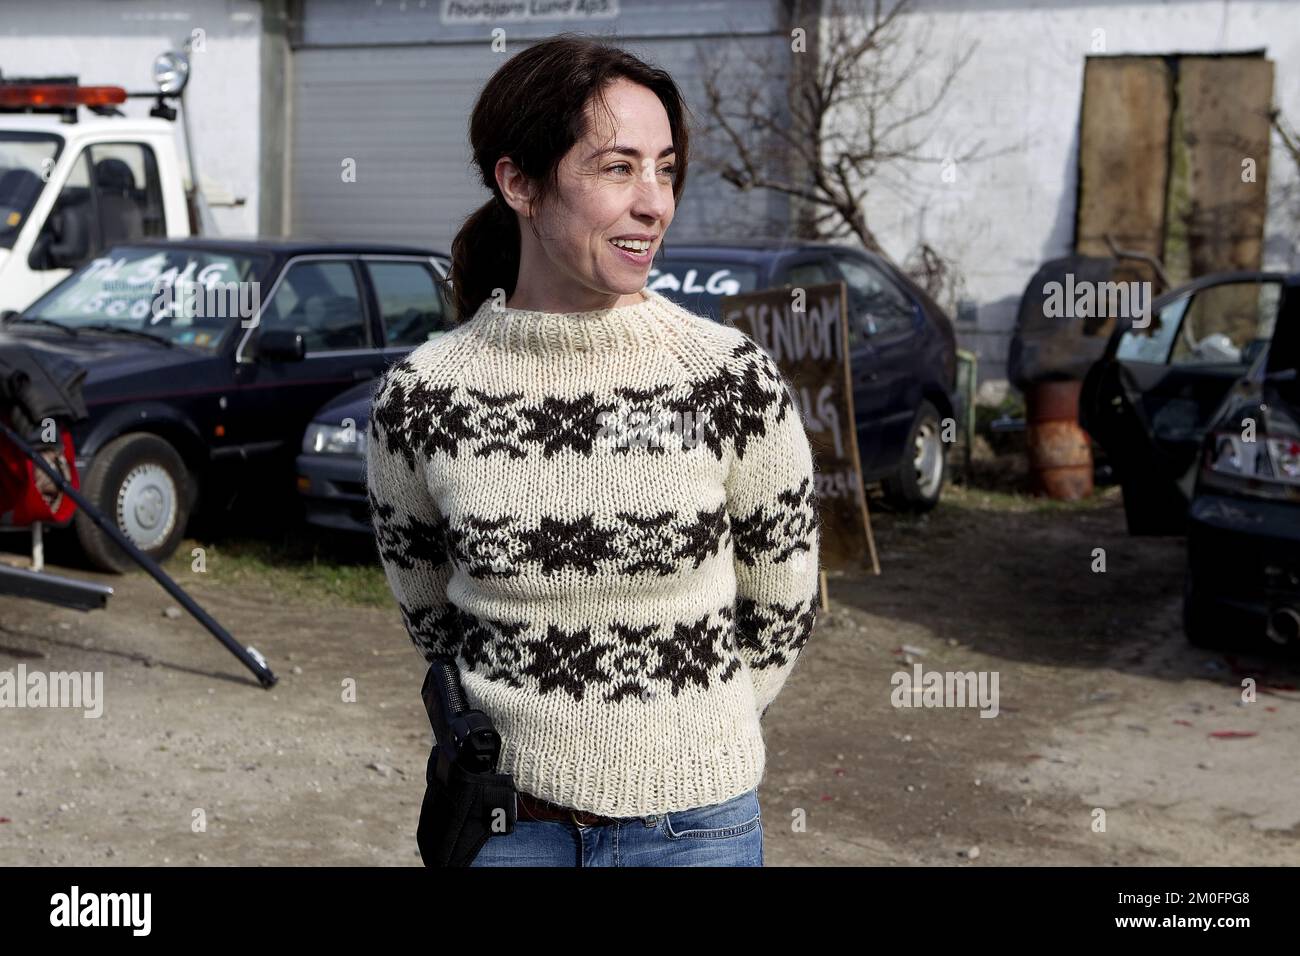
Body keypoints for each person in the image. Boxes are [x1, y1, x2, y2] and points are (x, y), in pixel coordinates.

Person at [365, 33, 821, 867]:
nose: (654, 203)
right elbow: (429, 613)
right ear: (520, 183)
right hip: (509, 825)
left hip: (698, 830)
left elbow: (785, 598)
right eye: (618, 168)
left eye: (666, 167)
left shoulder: (728, 379)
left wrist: (693, 741)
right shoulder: (423, 397)